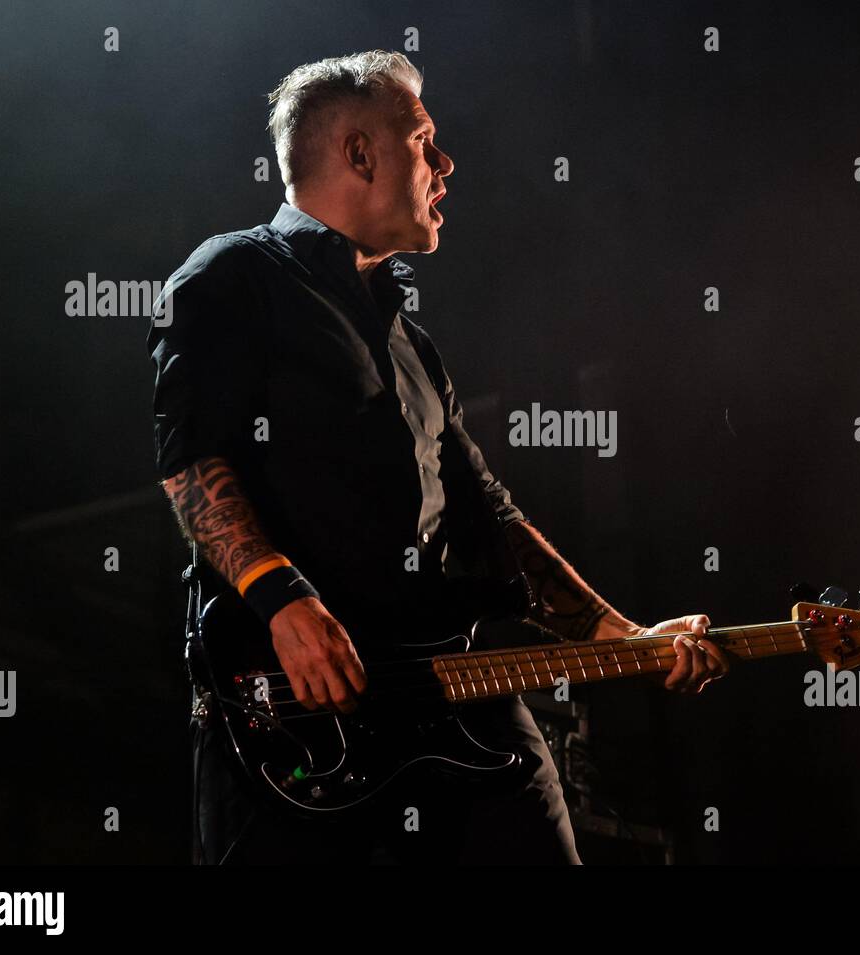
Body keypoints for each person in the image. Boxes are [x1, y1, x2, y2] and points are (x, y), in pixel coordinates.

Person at [147, 50, 729, 865]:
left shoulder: (410, 343)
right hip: (289, 723)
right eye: (425, 140)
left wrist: (626, 636)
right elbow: (191, 459)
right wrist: (280, 601)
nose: (447, 166)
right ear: (360, 154)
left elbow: (490, 515)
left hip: (451, 702)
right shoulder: (231, 275)